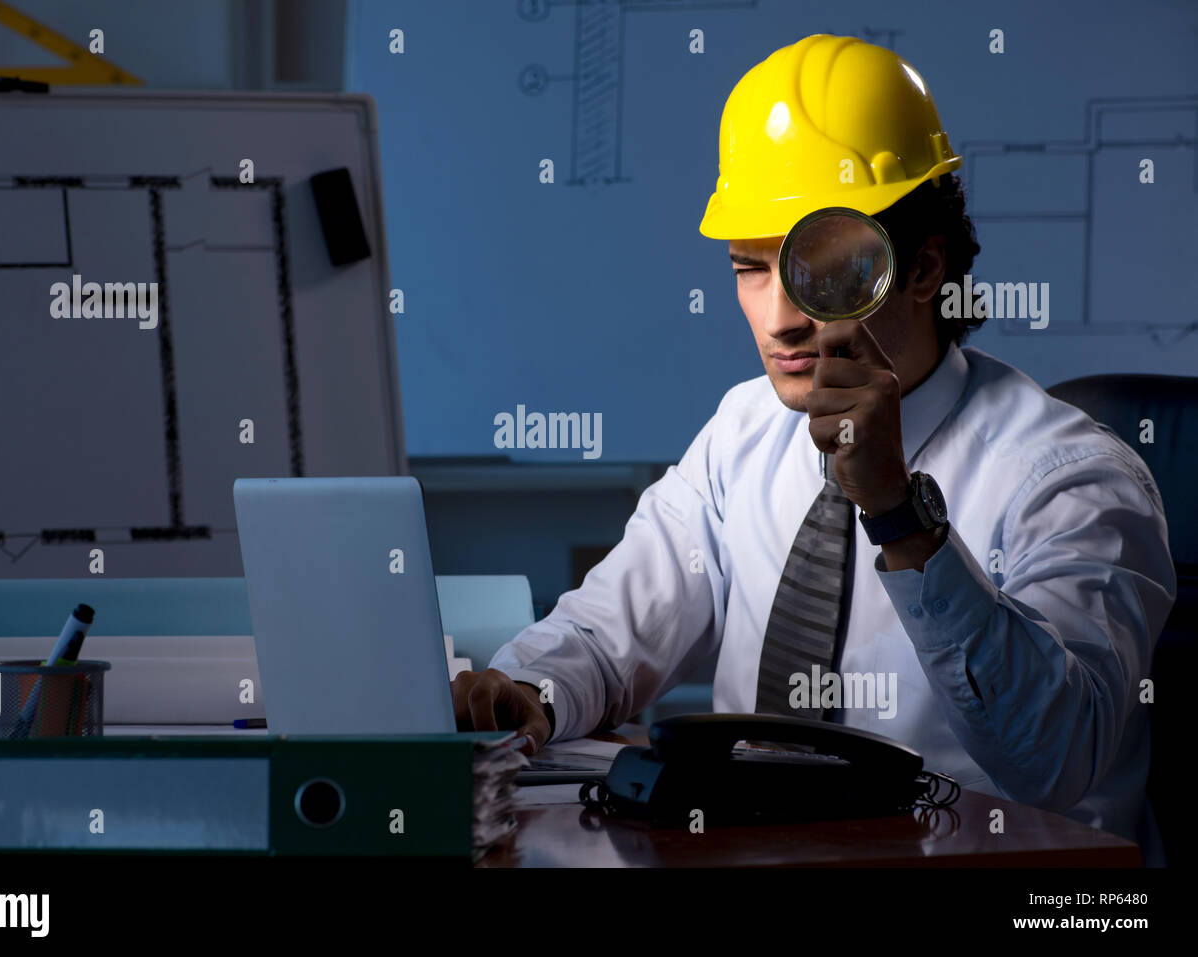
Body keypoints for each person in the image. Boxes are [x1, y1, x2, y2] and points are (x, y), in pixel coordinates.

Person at [450, 34, 1176, 864]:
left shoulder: (1071, 477)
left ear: (922, 265)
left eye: (816, 269)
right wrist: (529, 692)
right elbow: (611, 630)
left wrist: (901, 516)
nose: (779, 318)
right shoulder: (743, 430)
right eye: (750, 269)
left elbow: (1054, 757)